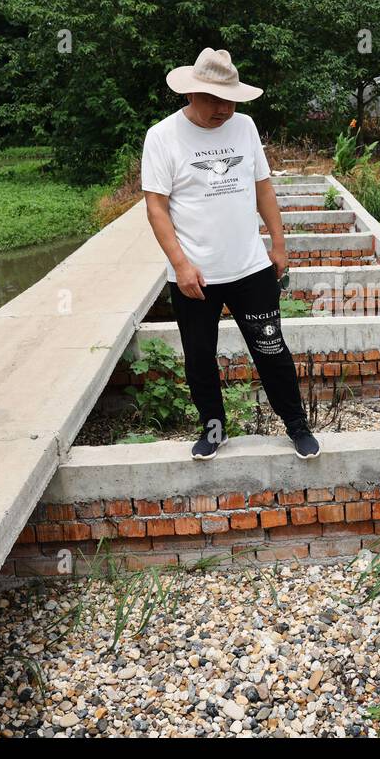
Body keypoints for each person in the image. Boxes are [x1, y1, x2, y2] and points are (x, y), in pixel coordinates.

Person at [141, 47, 320, 461]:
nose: (224, 109)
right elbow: (156, 207)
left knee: (271, 348)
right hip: (194, 275)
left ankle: (296, 425)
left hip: (251, 268)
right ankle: (213, 429)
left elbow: (263, 189)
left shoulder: (245, 127)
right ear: (190, 94)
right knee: (200, 357)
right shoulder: (162, 136)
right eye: (214, 100)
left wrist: (279, 244)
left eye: (230, 100)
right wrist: (181, 265)